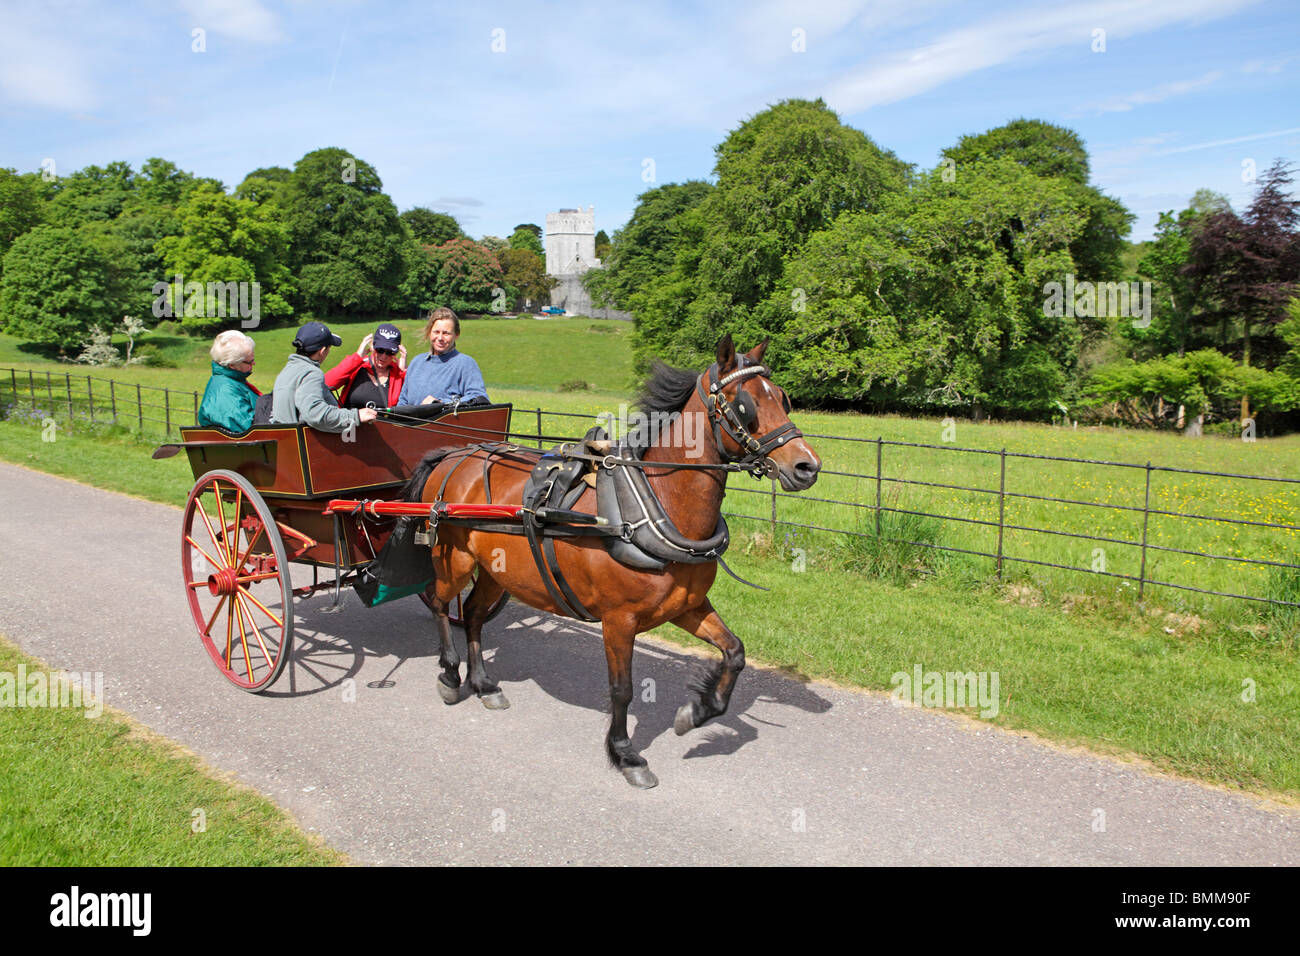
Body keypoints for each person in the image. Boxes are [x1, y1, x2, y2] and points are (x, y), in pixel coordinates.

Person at [271, 321, 377, 432]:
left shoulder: (286, 371)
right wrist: (356, 416)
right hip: (303, 446)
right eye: (329, 348)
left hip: (285, 443)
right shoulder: (311, 373)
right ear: (322, 351)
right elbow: (315, 414)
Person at [396, 307, 489, 407]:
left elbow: (479, 397)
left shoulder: (465, 364)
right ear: (429, 332)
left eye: (446, 333)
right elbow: (403, 402)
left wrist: (441, 404)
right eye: (436, 332)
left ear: (456, 335)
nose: (440, 338)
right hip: (413, 423)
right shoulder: (416, 363)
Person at [324, 322, 408, 409]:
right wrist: (357, 357)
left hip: (383, 422)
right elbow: (326, 384)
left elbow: (415, 398)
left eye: (389, 352)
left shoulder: (398, 375)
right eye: (380, 350)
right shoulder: (357, 366)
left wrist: (404, 371)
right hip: (351, 421)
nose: (384, 356)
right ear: (372, 346)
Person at [198, 330, 261, 433]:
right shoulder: (225, 390)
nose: (254, 363)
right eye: (249, 362)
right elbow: (250, 430)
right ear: (232, 365)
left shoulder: (233, 382)